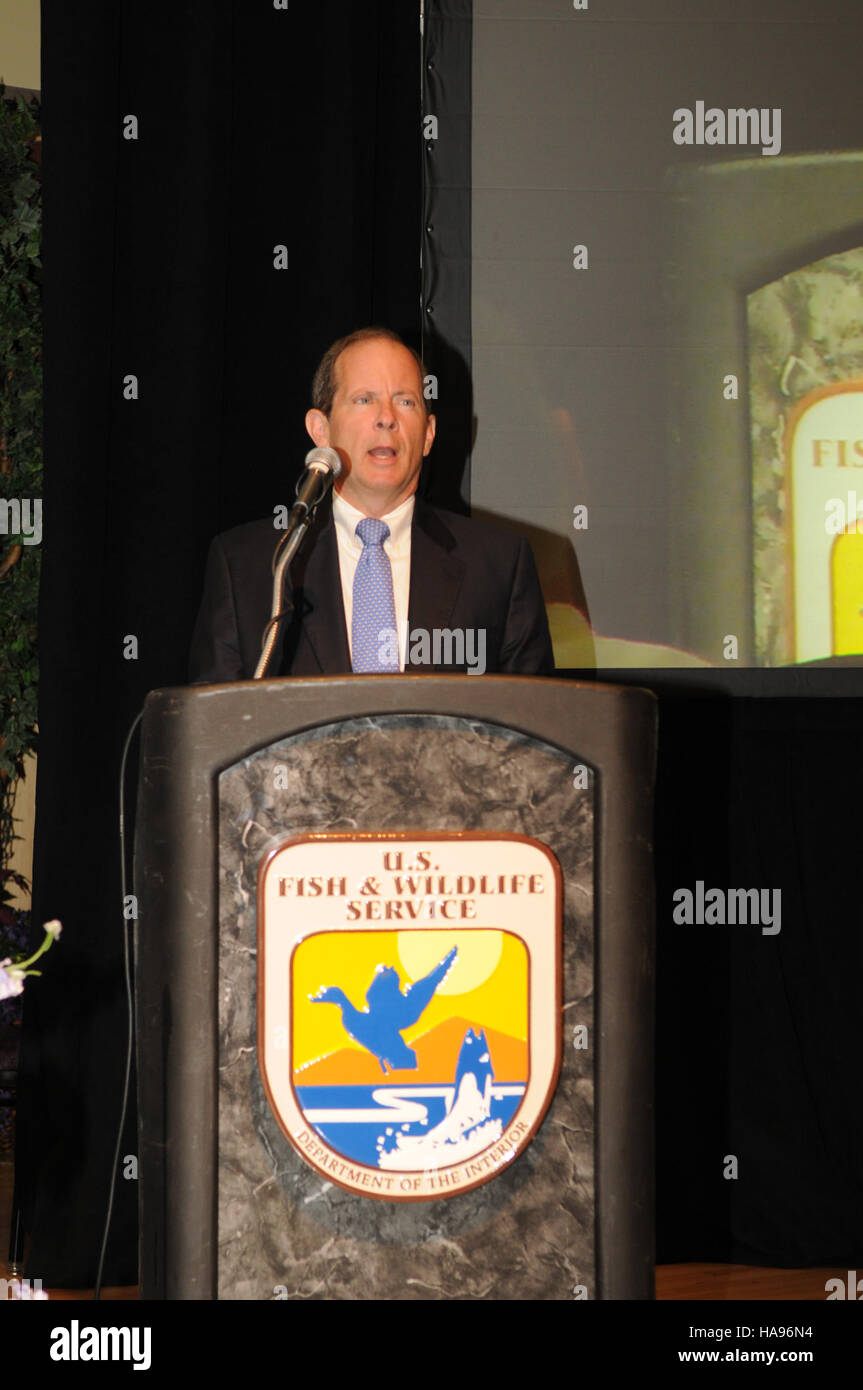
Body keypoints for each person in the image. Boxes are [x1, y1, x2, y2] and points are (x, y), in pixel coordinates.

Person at [188, 327, 554, 681]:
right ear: (321, 430)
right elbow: (212, 731)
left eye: (405, 401)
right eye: (365, 399)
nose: (386, 418)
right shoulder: (248, 565)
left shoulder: (499, 566)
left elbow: (534, 730)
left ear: (428, 434)